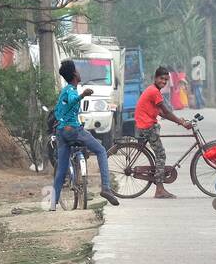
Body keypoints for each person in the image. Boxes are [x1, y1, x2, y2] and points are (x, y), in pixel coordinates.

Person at [52, 59, 121, 208]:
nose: (79, 72)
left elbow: (58, 111)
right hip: (73, 131)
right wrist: (82, 95)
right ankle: (106, 188)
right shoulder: (71, 90)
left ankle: (53, 202)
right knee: (101, 150)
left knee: (61, 169)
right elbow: (72, 100)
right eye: (77, 69)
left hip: (61, 133)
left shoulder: (63, 91)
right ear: (75, 74)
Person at [134, 66, 193, 199]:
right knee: (161, 155)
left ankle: (159, 185)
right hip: (147, 125)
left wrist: (178, 121)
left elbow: (161, 113)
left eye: (166, 80)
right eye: (161, 79)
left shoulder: (154, 90)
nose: (164, 82)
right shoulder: (154, 91)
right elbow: (166, 111)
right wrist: (182, 123)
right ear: (155, 78)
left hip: (145, 124)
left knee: (159, 153)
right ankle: (159, 190)